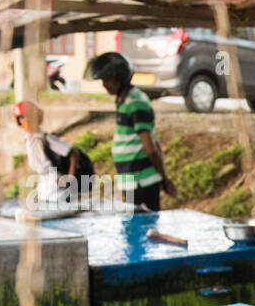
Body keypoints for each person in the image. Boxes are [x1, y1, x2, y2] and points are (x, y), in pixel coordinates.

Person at [85, 51, 176, 211]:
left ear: (120, 77)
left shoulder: (135, 102)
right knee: (133, 227)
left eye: (108, 79)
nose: (104, 84)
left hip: (142, 180)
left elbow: (151, 148)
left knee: (142, 227)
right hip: (131, 179)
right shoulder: (124, 100)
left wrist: (164, 179)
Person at [12, 99, 94, 215]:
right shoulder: (30, 141)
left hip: (57, 190)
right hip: (44, 189)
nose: (25, 121)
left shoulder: (46, 139)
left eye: (27, 117)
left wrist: (70, 178)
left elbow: (73, 152)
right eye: (22, 118)